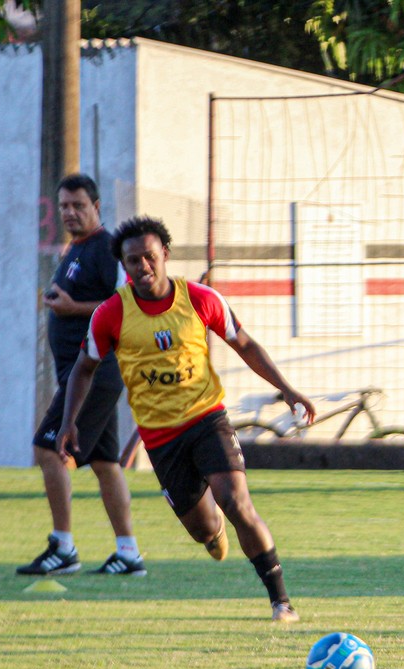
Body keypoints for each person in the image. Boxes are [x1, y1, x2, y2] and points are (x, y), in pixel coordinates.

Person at [56, 216, 315, 622]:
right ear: (124, 265)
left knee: (236, 501)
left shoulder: (199, 299)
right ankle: (213, 530)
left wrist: (287, 388)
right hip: (161, 438)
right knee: (203, 531)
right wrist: (69, 421)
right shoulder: (111, 314)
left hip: (207, 418)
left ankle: (281, 602)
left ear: (165, 255)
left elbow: (244, 344)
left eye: (149, 256)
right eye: (133, 260)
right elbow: (84, 368)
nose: (143, 266)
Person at [18, 174, 142, 577]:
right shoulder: (77, 249)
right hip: (81, 375)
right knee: (105, 462)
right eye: (64, 206)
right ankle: (128, 553)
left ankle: (64, 547)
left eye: (78, 205)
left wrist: (73, 309)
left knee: (48, 449)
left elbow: (126, 306)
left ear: (97, 207)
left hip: (94, 374)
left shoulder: (108, 249)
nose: (69, 213)